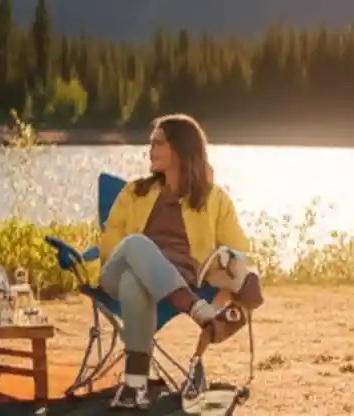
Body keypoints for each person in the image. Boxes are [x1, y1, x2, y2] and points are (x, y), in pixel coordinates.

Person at [99, 113, 264, 410]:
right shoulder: (135, 192)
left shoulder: (213, 199)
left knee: (134, 283)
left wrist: (227, 267)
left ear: (181, 148)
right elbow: (112, 244)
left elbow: (238, 251)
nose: (150, 150)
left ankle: (134, 385)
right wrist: (141, 259)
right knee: (136, 248)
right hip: (117, 270)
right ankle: (198, 311)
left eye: (158, 143)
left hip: (167, 282)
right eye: (150, 143)